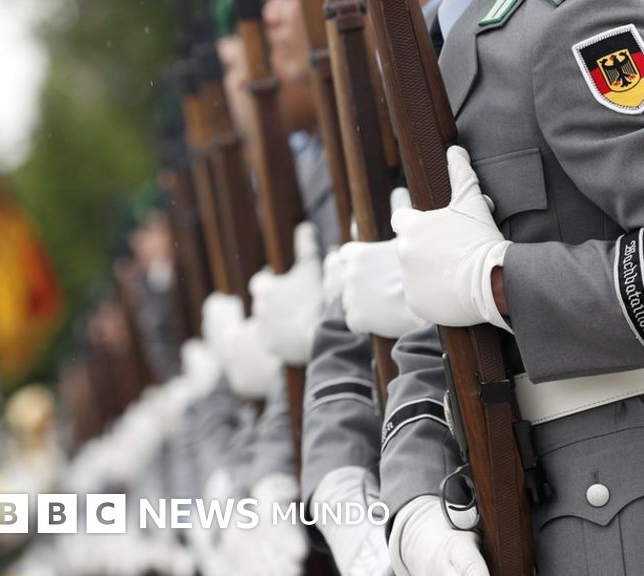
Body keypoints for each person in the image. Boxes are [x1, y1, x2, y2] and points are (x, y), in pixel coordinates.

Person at [379, 0, 644, 573]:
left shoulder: (575, 18)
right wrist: (414, 498)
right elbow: (441, 316)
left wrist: (497, 280)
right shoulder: (424, 46)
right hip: (524, 514)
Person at [258, 1, 393, 574]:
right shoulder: (313, 163)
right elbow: (344, 343)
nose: (271, 20)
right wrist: (330, 476)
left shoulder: (416, 93)